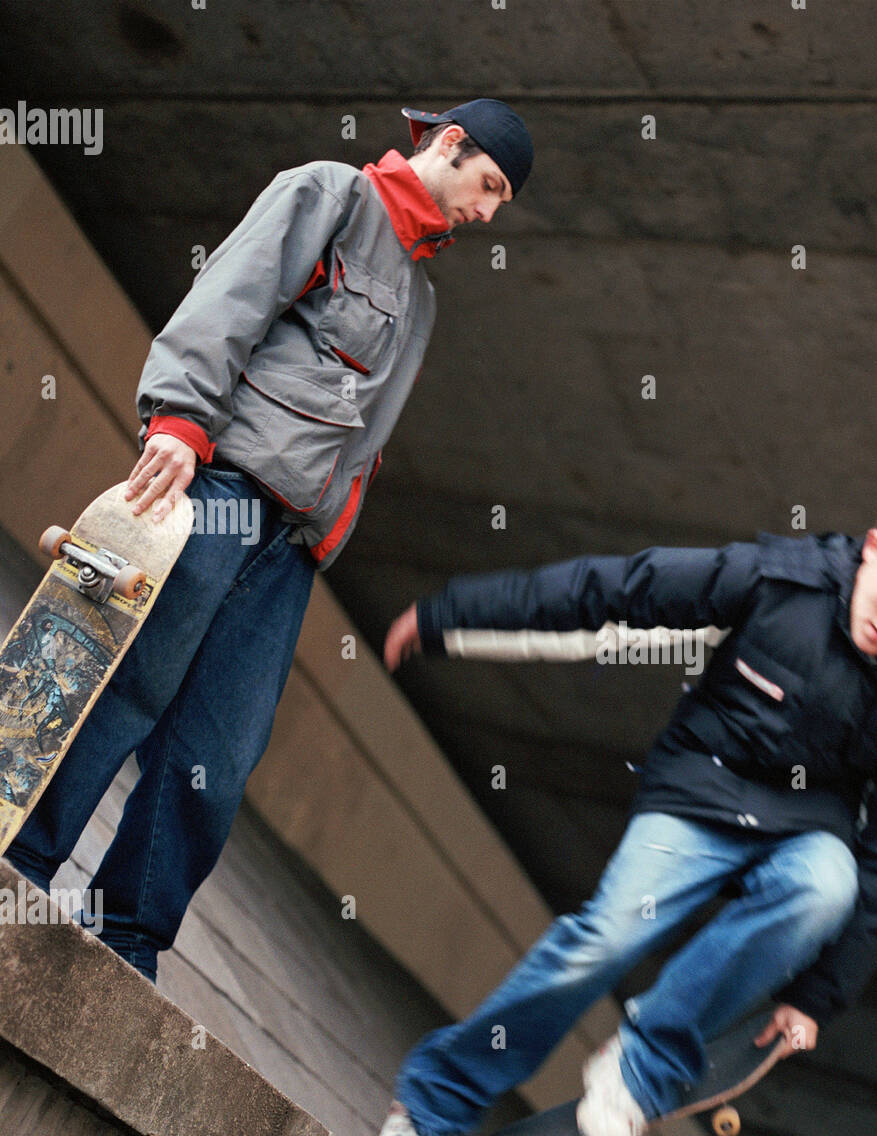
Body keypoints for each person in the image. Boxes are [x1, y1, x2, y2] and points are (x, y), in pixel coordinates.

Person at [3, 100, 534, 984]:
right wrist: (178, 420)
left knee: (219, 751)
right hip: (216, 490)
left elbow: (365, 437)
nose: (488, 213)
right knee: (126, 680)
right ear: (451, 145)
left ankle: (126, 940)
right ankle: (20, 860)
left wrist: (327, 536)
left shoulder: (423, 300)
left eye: (501, 203)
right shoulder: (327, 195)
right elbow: (231, 297)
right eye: (490, 187)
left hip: (286, 548)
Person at [376, 499, 877, 1136]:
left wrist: (818, 996)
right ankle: (428, 1110)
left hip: (803, 831)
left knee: (831, 883)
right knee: (604, 940)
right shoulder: (771, 579)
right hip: (699, 795)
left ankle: (641, 1069)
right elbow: (610, 591)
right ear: (873, 549)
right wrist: (452, 615)